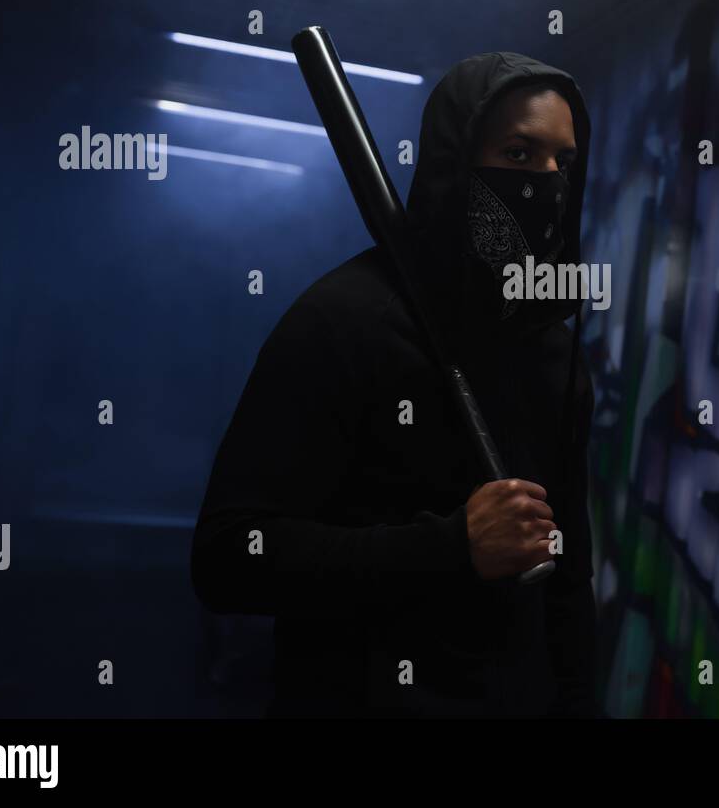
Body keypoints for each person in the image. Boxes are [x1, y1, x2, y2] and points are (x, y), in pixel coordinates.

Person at [190, 51, 598, 718]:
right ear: (456, 164)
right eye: (520, 155)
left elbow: (567, 581)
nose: (548, 182)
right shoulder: (341, 320)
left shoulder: (552, 351)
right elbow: (228, 555)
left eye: (564, 163)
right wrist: (449, 547)